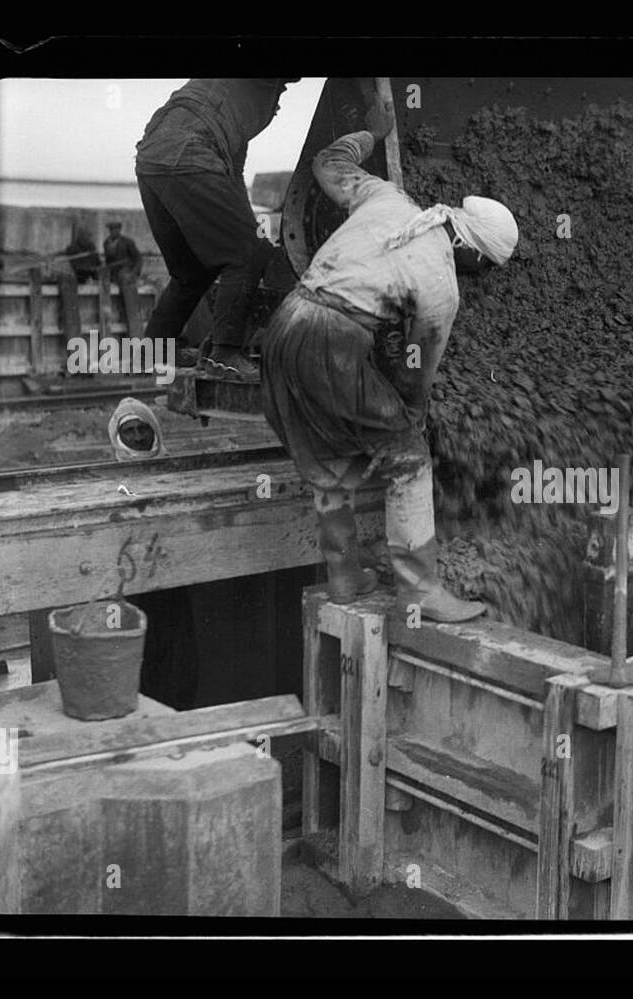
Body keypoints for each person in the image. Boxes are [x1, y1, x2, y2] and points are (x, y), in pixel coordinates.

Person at [261, 97, 520, 622]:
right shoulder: (443, 283)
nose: (480, 276)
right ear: (471, 250)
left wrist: (371, 134)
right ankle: (420, 591)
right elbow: (415, 370)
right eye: (485, 268)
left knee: (328, 455)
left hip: (285, 326)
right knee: (409, 460)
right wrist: (412, 415)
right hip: (332, 341)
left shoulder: (388, 199)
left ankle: (343, 577)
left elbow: (327, 165)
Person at [135, 79, 297, 381]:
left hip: (152, 159)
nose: (279, 102)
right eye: (282, 90)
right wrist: (255, 245)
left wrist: (251, 231)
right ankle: (226, 355)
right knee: (248, 254)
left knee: (191, 272)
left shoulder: (233, 111)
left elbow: (233, 175)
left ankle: (151, 353)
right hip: (190, 153)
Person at [103, 221, 143, 336]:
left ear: (119, 230)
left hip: (125, 271)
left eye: (115, 229)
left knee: (125, 282)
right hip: (113, 274)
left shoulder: (127, 242)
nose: (113, 232)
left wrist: (134, 273)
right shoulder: (106, 243)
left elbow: (138, 259)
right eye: (111, 229)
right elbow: (108, 261)